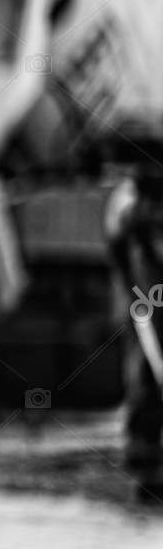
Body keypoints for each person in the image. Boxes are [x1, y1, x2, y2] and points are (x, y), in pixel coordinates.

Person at [105, 138, 163, 500]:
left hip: (145, 302)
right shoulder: (132, 212)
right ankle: (147, 463)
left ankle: (147, 460)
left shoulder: (129, 209)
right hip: (147, 304)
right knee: (147, 372)